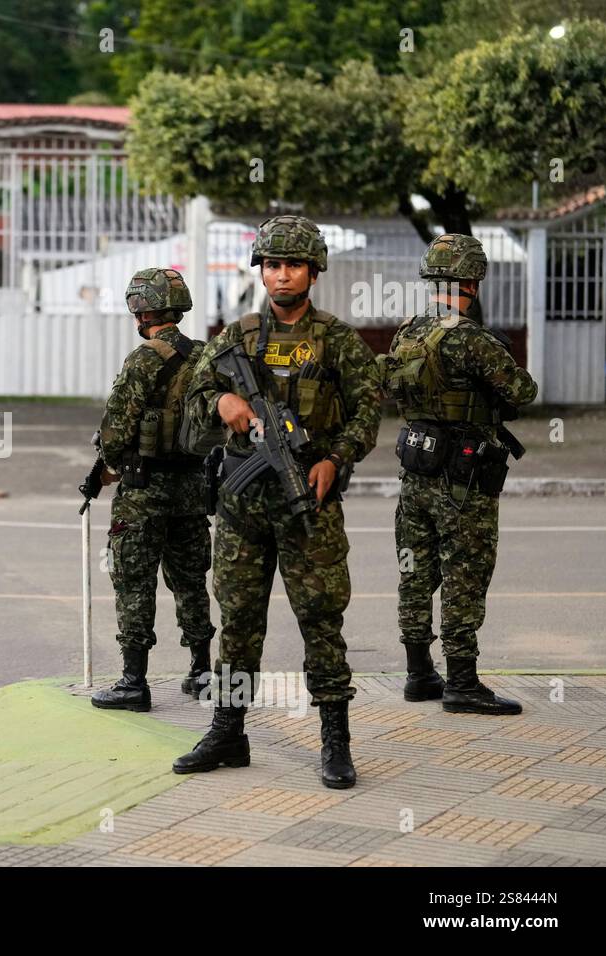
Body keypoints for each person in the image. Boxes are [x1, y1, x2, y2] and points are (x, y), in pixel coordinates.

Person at [175, 215, 382, 789]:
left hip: (307, 506)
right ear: (260, 271)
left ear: (313, 271)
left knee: (320, 619)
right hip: (243, 511)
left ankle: (335, 738)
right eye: (271, 264)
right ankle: (228, 730)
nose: (281, 274)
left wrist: (334, 460)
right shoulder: (236, 337)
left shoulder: (338, 340)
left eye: (292, 264)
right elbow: (193, 400)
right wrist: (223, 405)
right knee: (238, 621)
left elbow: (368, 411)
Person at [383, 234, 538, 715]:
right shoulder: (471, 338)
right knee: (463, 577)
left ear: (432, 280)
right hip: (463, 480)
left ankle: (417, 674)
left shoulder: (406, 332)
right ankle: (463, 683)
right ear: (472, 281)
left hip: (415, 474)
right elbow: (524, 391)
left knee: (414, 572)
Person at [90, 268, 214, 712]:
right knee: (190, 581)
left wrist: (104, 467)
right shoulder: (204, 355)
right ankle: (203, 671)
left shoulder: (143, 359)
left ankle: (133, 682)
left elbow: (115, 433)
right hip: (193, 487)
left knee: (134, 583)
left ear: (143, 307)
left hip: (143, 490)